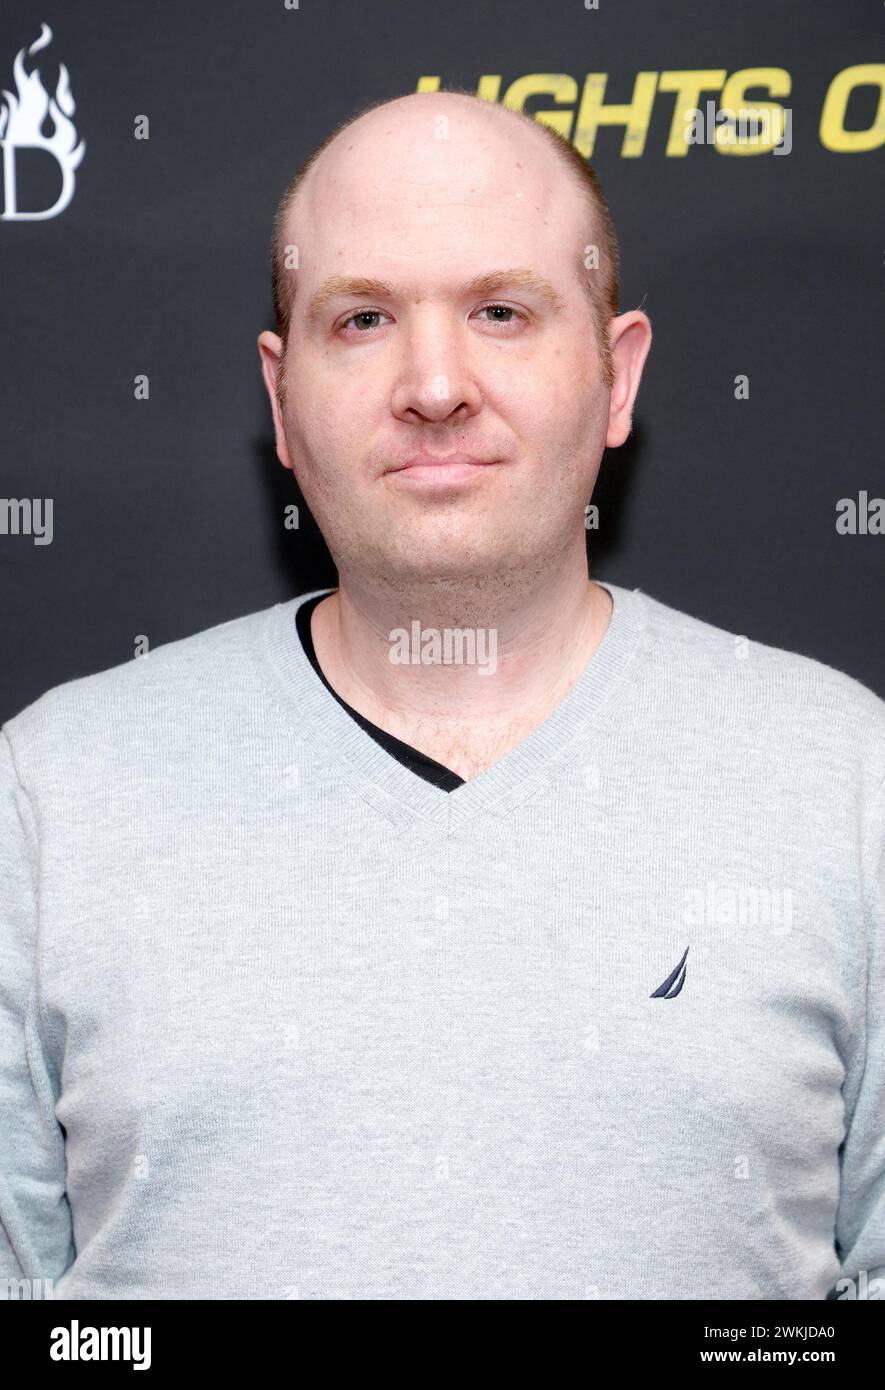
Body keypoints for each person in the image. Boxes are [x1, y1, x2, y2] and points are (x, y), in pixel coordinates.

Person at [1, 90, 882, 1301]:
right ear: (281, 400)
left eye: (502, 312)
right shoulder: (48, 798)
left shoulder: (846, 782)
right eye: (361, 318)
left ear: (616, 376)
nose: (434, 383)